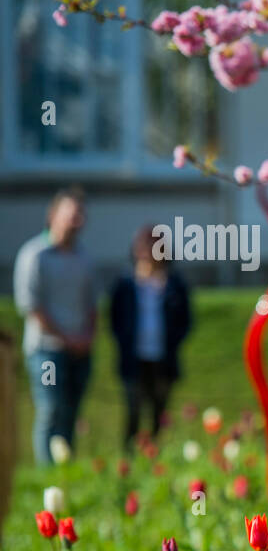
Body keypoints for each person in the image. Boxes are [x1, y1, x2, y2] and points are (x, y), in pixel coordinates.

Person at [12, 188, 97, 465]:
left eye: (80, 215)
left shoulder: (83, 258)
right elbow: (32, 307)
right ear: (53, 216)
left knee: (71, 411)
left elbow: (92, 304)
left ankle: (65, 468)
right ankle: (46, 472)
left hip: (79, 351)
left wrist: (86, 338)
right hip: (47, 352)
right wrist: (66, 338)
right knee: (51, 409)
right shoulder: (35, 255)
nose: (77, 221)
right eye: (71, 215)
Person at [109, 225, 192, 450]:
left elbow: (185, 320)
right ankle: (129, 458)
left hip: (163, 358)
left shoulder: (175, 284)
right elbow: (115, 320)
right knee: (133, 411)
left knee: (159, 413)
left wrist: (172, 340)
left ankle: (156, 457)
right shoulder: (126, 284)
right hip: (134, 358)